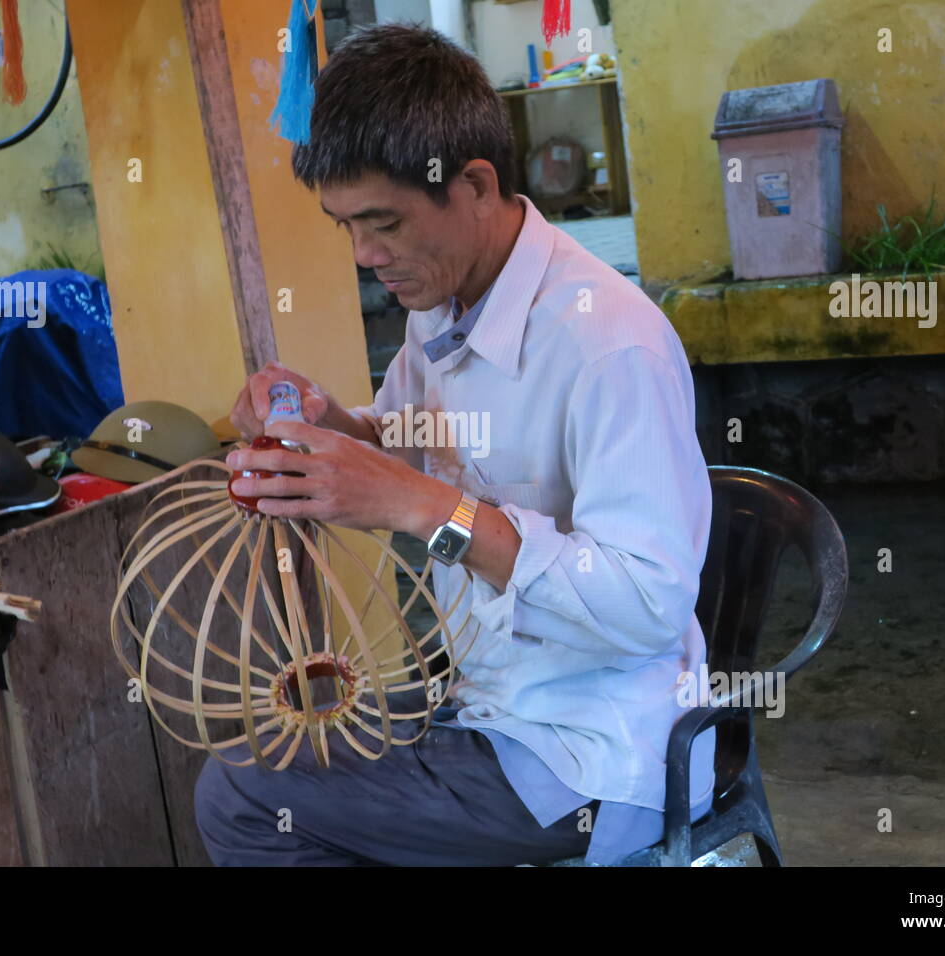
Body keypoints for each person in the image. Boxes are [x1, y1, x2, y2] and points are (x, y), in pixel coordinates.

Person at [195, 23, 716, 866]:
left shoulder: (610, 344)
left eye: (385, 223)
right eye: (346, 229)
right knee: (279, 742)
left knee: (245, 796)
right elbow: (407, 443)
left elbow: (647, 604)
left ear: (474, 183)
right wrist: (325, 426)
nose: (368, 257)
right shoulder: (443, 304)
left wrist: (423, 506)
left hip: (589, 750)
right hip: (487, 699)